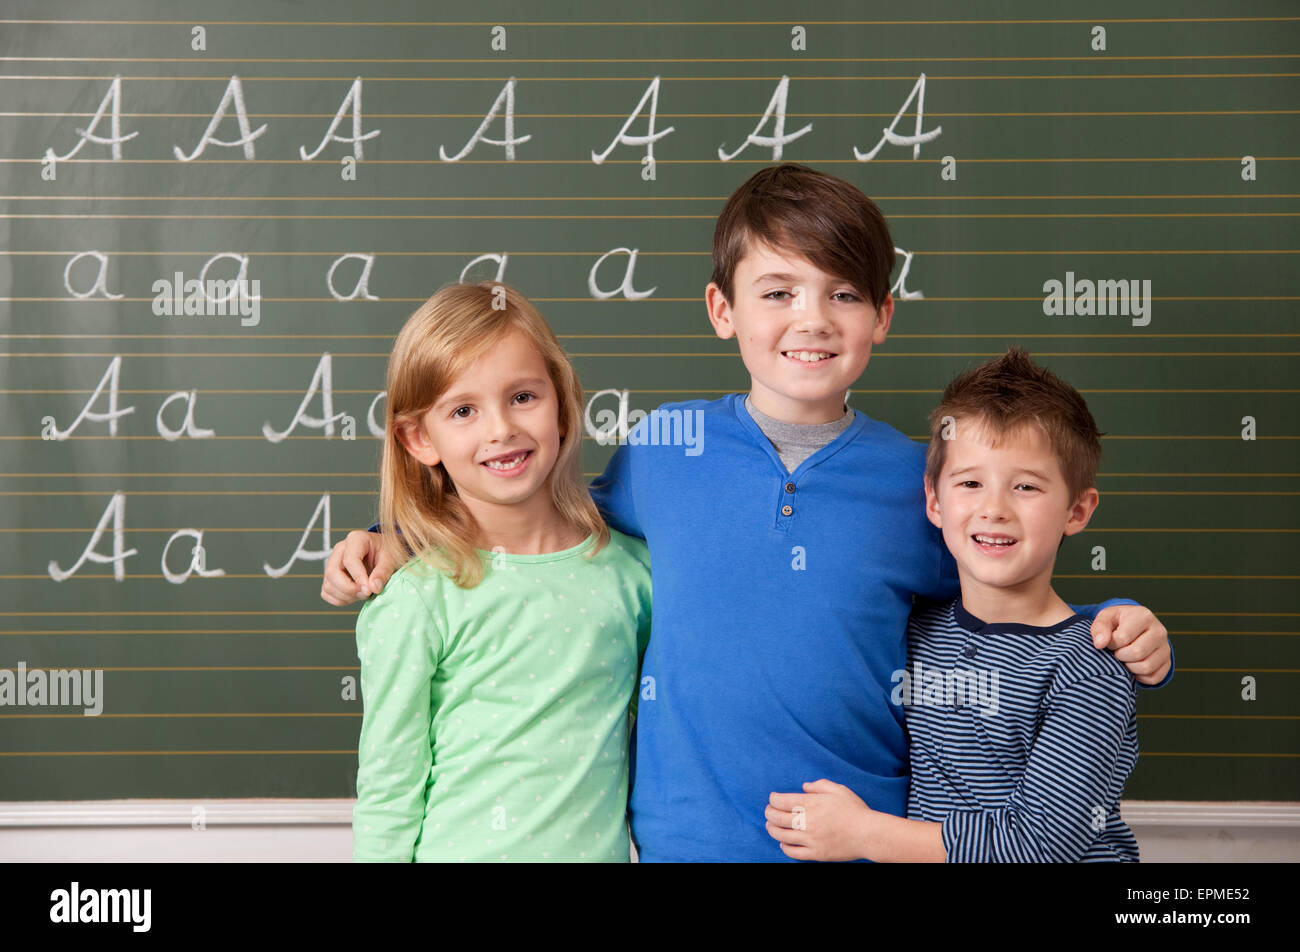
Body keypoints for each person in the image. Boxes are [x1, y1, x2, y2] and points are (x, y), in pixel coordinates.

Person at [324, 164, 1173, 862]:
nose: (810, 318)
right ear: (721, 311)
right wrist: (389, 536)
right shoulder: (665, 450)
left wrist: (1111, 624)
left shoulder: (921, 482)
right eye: (777, 292)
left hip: (860, 837)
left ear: (881, 318)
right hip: (683, 841)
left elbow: (1002, 587)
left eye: (842, 294)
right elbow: (536, 514)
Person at [765, 348, 1140, 862]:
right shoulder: (914, 633)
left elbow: (1041, 845)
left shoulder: (1087, 667)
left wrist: (864, 834)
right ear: (935, 501)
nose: (994, 509)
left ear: (1077, 510)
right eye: (970, 483)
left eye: (1026, 486)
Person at [351, 281, 651, 862]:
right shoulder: (416, 597)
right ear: (419, 438)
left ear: (561, 403)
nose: (500, 430)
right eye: (463, 411)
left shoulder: (633, 577)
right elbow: (390, 787)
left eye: (522, 397)